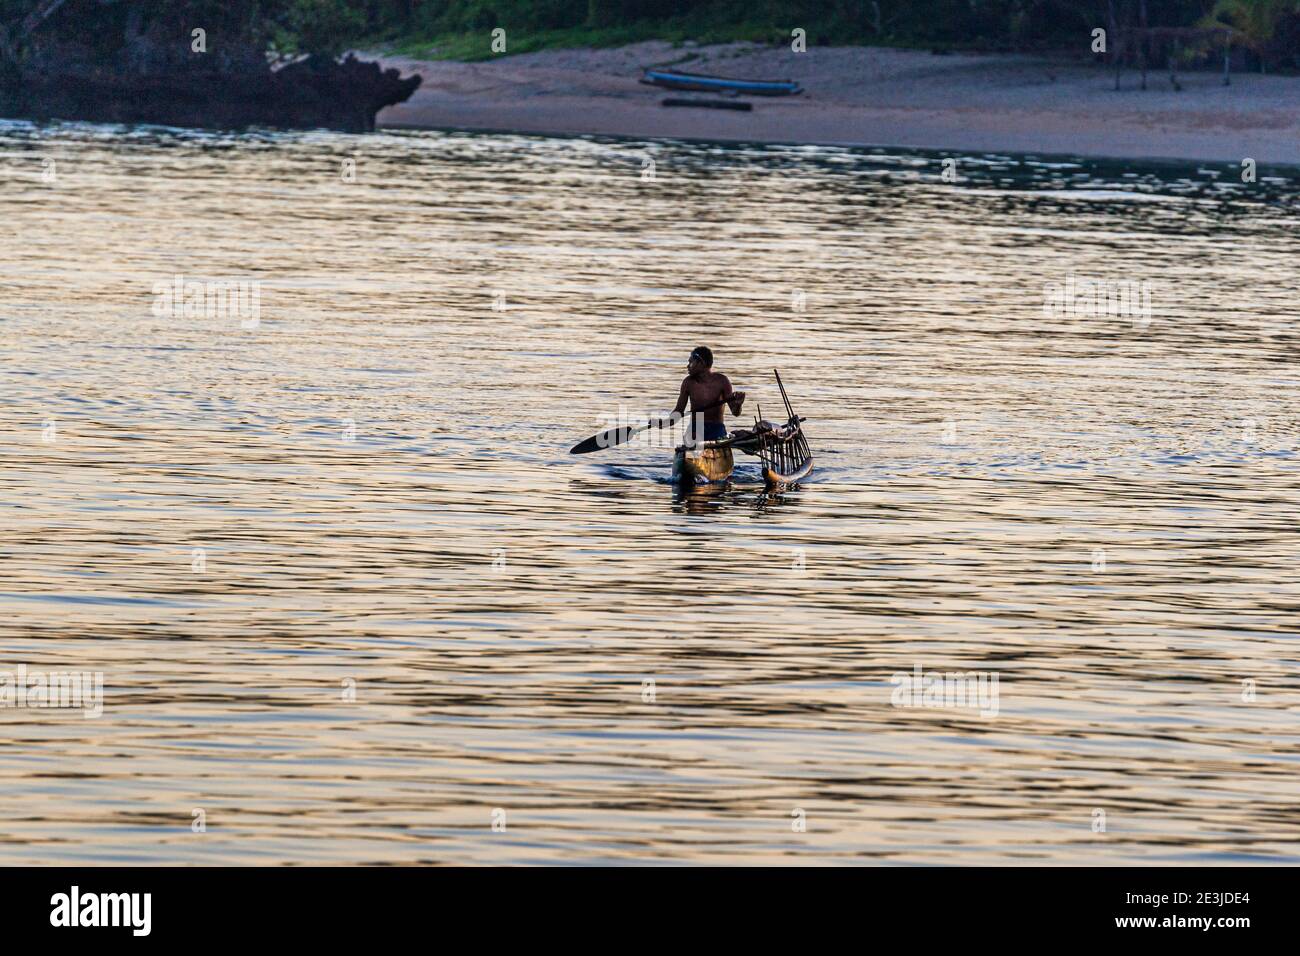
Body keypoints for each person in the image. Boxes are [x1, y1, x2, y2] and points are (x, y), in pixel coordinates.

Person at [653, 346, 745, 444]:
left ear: (701, 363)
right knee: (692, 444)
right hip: (695, 429)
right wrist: (663, 423)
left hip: (717, 429)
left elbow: (735, 413)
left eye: (691, 362)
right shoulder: (688, 383)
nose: (687, 366)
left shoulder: (722, 381)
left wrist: (738, 404)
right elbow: (679, 411)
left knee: (715, 442)